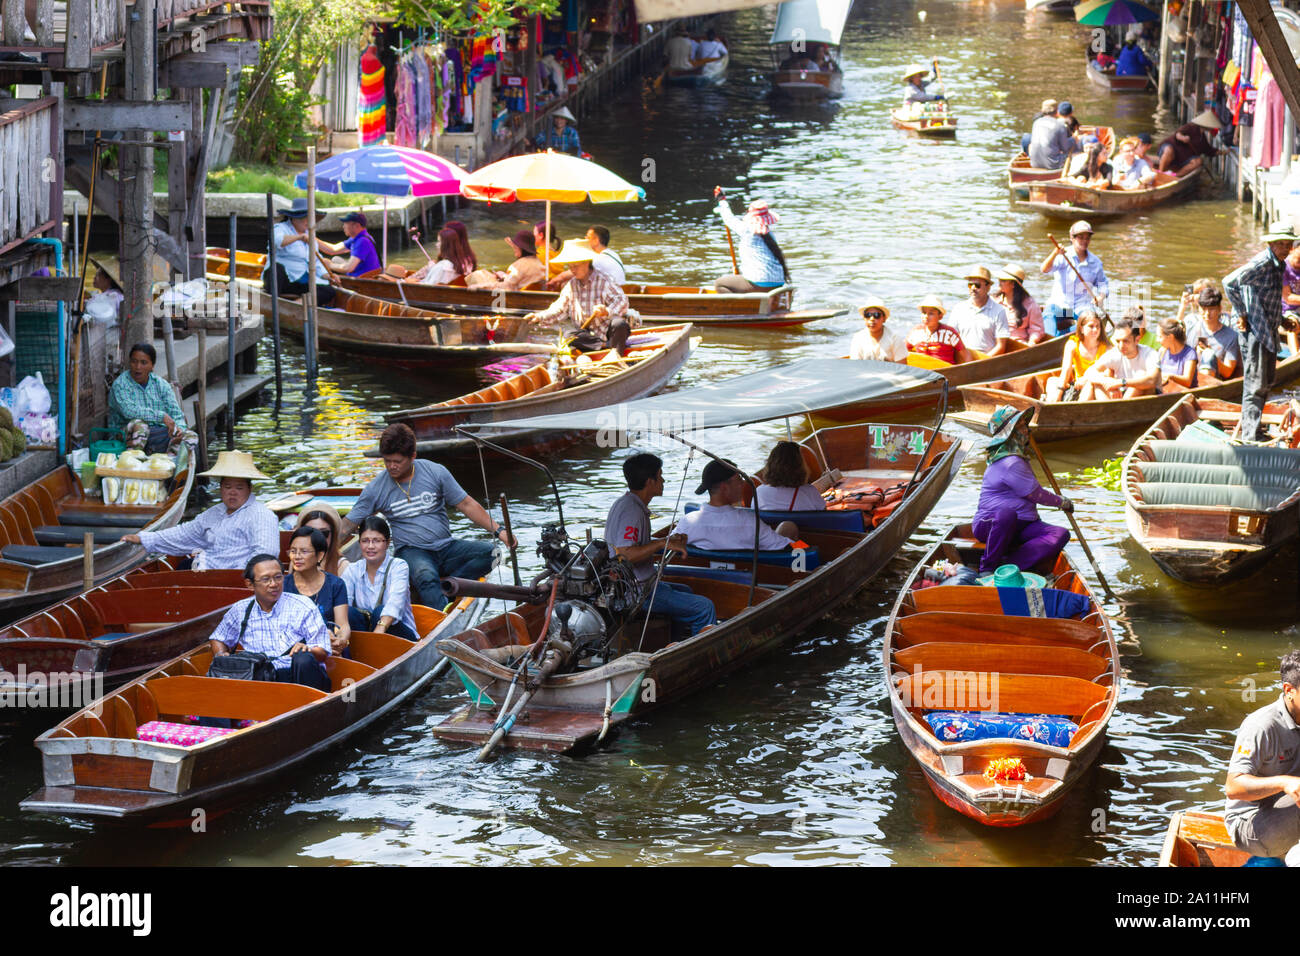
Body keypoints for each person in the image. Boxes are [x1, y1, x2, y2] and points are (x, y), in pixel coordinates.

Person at [341, 423, 513, 610]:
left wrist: (500, 532)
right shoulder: (376, 488)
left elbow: (466, 504)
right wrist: (321, 547)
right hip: (412, 551)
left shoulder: (435, 472)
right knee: (425, 575)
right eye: (387, 461)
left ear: (413, 456)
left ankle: (447, 587)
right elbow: (348, 524)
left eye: (397, 461)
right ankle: (442, 616)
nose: (392, 466)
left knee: (492, 554)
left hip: (446, 547)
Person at [604, 453, 716, 639]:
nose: (663, 480)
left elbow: (633, 546)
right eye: (660, 475)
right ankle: (698, 654)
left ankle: (676, 643)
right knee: (705, 607)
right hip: (638, 593)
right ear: (650, 482)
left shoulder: (626, 503)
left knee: (686, 591)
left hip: (637, 586)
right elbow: (625, 555)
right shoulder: (632, 511)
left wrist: (668, 541)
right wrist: (663, 542)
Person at [124, 450, 280, 570]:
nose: (233, 492)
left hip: (239, 578)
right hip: (207, 571)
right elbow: (185, 533)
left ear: (249, 489)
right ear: (221, 489)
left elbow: (266, 554)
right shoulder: (215, 513)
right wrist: (144, 539)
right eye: (227, 487)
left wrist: (244, 574)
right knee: (183, 567)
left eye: (239, 488)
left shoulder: (261, 515)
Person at [970, 406, 1072, 576]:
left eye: (1025, 425)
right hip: (992, 526)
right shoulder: (1011, 462)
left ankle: (1009, 566)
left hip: (1022, 525)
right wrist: (1062, 502)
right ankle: (987, 568)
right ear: (1010, 434)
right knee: (1006, 514)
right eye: (1021, 427)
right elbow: (1036, 494)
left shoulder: (1019, 459)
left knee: (1059, 533)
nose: (1027, 430)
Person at [208, 553, 332, 692]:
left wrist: (307, 649)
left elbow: (323, 651)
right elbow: (218, 638)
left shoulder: (303, 605)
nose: (274, 584)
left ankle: (310, 709)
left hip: (297, 676)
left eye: (278, 577)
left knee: (304, 659)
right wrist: (221, 655)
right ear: (250, 584)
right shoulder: (240, 609)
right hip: (257, 678)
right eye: (266, 579)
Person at [1223, 222, 1299, 440]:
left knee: (1266, 382)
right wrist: (1241, 313)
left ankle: (1254, 429)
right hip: (1255, 330)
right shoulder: (1262, 262)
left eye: (1288, 244)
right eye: (1281, 244)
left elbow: (1270, 298)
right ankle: (1249, 436)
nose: (1286, 248)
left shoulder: (1279, 265)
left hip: (1268, 329)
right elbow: (1229, 282)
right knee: (1255, 385)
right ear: (1271, 244)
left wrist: (1283, 321)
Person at [1224, 649, 1300, 861]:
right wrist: (1286, 783)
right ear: (1289, 690)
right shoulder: (1261, 726)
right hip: (1251, 824)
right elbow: (1233, 787)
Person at [525, 239, 635, 354]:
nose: (572, 270)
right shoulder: (571, 286)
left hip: (608, 333)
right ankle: (604, 347)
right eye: (570, 266)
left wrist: (606, 311)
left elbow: (622, 301)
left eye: (575, 266)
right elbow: (559, 309)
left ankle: (614, 352)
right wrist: (538, 317)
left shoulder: (604, 280)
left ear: (586, 262)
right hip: (587, 337)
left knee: (619, 324)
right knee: (569, 336)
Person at [674, 459, 799, 550]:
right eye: (739, 479)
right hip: (752, 579)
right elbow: (788, 546)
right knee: (788, 527)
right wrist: (809, 548)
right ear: (724, 487)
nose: (743, 483)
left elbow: (666, 543)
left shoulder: (687, 522)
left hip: (705, 577)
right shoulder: (750, 522)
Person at [341, 516, 420, 641]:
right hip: (366, 633)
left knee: (380, 612)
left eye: (377, 541)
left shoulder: (399, 566)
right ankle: (362, 649)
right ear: (359, 543)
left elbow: (396, 601)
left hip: (399, 635)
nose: (370, 546)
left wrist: (380, 628)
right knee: (348, 612)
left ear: (387, 543)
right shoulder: (352, 569)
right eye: (365, 541)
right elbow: (344, 603)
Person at [108, 343, 196, 454]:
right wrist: (161, 416)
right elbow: (129, 411)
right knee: (140, 426)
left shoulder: (161, 385)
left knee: (191, 437)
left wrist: (179, 429)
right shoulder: (120, 385)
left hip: (158, 434)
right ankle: (133, 463)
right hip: (126, 434)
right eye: (134, 361)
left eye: (143, 363)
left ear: (152, 366)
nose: (138, 367)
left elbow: (177, 415)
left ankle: (169, 464)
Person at [283, 526, 351, 657]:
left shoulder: (335, 584)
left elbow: (342, 624)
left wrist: (340, 639)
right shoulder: (283, 585)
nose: (297, 557)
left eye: (304, 551)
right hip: (293, 648)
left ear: (319, 555)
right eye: (293, 551)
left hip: (329, 646)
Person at [263, 198, 337, 307]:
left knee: (328, 291)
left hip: (300, 281)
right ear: (295, 218)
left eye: (311, 218)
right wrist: (299, 237)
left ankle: (296, 306)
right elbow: (278, 241)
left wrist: (329, 275)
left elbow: (316, 262)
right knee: (276, 269)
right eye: (306, 218)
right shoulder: (280, 228)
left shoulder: (310, 235)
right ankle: (273, 305)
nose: (309, 222)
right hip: (282, 280)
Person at [712, 190, 790, 293]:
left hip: (760, 283)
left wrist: (722, 200)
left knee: (719, 283)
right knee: (740, 278)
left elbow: (729, 219)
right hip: (778, 282)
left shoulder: (748, 230)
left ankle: (738, 308)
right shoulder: (770, 234)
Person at [1041, 219, 1108, 335]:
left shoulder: (1095, 262)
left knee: (1091, 324)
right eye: (1080, 237)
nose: (1084, 241)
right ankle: (1050, 340)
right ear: (1072, 238)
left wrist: (1100, 297)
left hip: (1082, 307)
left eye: (1087, 238)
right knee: (1049, 311)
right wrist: (1054, 253)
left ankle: (1061, 336)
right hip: (1062, 307)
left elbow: (1103, 284)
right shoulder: (1063, 255)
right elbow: (1044, 269)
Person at [1078, 318, 1160, 398]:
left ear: (1137, 340)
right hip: (1122, 395)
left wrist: (1121, 382)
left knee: (1140, 374)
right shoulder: (1115, 353)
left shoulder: (1150, 354)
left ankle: (1119, 409)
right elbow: (1089, 372)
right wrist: (1108, 382)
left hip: (1142, 399)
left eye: (1125, 341)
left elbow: (1152, 380)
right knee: (1095, 382)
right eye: (1118, 341)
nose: (1121, 346)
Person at [1045, 307, 1109, 402]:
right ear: (1081, 329)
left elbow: (1108, 374)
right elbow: (1066, 371)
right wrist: (1059, 391)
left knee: (1090, 385)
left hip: (1096, 385)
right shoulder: (1072, 344)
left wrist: (1087, 379)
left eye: (1098, 326)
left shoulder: (1107, 348)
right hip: (1077, 385)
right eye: (1091, 326)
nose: (1095, 330)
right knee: (1051, 381)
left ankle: (1078, 411)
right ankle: (1051, 406)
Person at [949, 266, 1011, 356]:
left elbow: (1001, 346)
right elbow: (950, 339)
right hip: (963, 357)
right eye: (970, 285)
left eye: (977, 285)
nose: (973, 288)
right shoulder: (958, 308)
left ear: (988, 287)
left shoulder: (999, 311)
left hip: (987, 360)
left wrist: (982, 361)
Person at [1183, 286, 1240, 383]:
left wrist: (1212, 355)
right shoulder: (1191, 327)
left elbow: (1228, 372)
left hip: (1214, 380)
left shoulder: (1232, 336)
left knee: (1208, 355)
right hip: (1191, 376)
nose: (1207, 314)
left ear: (1219, 309)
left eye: (1211, 309)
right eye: (1203, 309)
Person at [756, 441, 826, 512]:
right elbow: (825, 515)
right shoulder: (809, 491)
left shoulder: (759, 493)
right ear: (800, 467)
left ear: (770, 465)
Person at [906, 295, 972, 365]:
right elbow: (902, 352)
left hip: (946, 372)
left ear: (940, 316)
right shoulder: (915, 332)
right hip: (923, 372)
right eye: (924, 313)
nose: (926, 316)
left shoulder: (949, 333)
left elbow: (965, 355)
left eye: (931, 313)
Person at [1156, 110, 1223, 177]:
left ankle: (1175, 175)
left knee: (1198, 161)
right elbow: (1178, 134)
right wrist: (1183, 138)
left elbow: (1209, 150)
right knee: (1169, 150)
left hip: (1183, 158)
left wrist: (1222, 152)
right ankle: (1160, 173)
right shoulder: (1190, 126)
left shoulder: (1203, 139)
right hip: (1172, 148)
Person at [477, 229, 546, 292]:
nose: (514, 249)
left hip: (518, 298)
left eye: (515, 247)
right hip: (530, 295)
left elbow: (507, 285)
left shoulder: (519, 265)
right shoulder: (538, 262)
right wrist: (504, 276)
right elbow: (519, 279)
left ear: (521, 248)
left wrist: (479, 286)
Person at [994, 264, 1047, 344]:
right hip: (995, 342)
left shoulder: (1030, 305)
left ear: (1013, 284)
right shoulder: (994, 300)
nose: (999, 283)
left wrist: (1032, 342)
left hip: (1017, 345)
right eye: (999, 279)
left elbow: (1036, 330)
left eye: (1003, 280)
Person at [409, 226, 476, 286]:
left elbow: (428, 286)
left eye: (439, 241)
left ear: (445, 245)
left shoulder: (442, 266)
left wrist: (408, 281)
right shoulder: (463, 262)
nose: (436, 245)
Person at [295, 505, 350, 576]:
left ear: (333, 535)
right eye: (309, 532)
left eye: (324, 533)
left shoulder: (343, 567)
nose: (317, 538)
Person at [323, 212, 382, 277]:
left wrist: (330, 265)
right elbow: (333, 249)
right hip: (359, 272)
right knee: (335, 259)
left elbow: (349, 268)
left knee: (330, 269)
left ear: (356, 225)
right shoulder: (357, 237)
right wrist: (312, 239)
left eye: (346, 223)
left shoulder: (363, 241)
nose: (343, 226)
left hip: (362, 279)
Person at [849, 297, 907, 362]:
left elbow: (902, 368)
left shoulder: (895, 338)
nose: (872, 319)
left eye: (876, 315)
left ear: (884, 319)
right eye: (868, 315)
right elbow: (855, 367)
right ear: (864, 318)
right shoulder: (858, 338)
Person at [1028, 98, 1078, 171]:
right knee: (1074, 153)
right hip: (1053, 164)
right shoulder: (1060, 125)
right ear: (1057, 111)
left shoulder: (1036, 122)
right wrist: (1074, 139)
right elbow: (1065, 148)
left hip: (1034, 163)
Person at [1155, 318, 1198, 391]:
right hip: (1165, 392)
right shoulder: (1162, 351)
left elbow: (1187, 381)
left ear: (1171, 337)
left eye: (1160, 337)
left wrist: (1170, 377)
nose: (1157, 340)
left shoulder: (1190, 353)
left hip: (1183, 394)